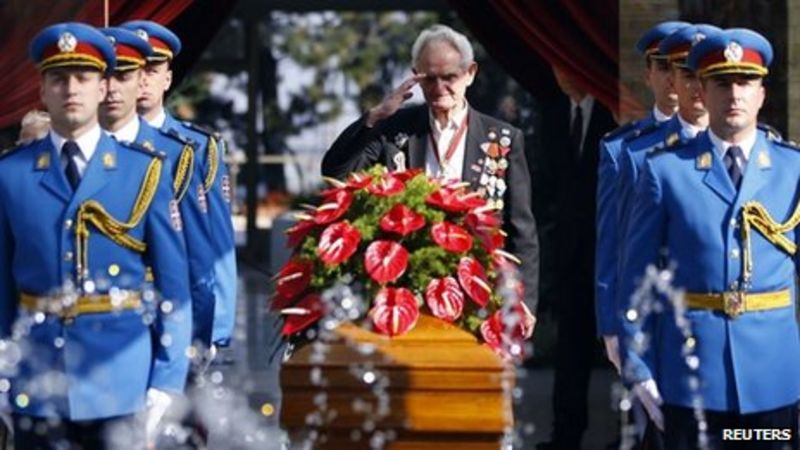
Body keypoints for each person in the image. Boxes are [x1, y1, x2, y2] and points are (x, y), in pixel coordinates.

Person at [0, 22, 191, 449]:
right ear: (43, 90)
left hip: (121, 379)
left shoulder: (144, 171)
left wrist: (166, 380)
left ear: (103, 87)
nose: (71, 88)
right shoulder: (9, 175)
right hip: (36, 381)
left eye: (83, 77)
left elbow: (174, 291)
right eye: (58, 77)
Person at [619, 28, 800, 450]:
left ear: (761, 93)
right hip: (691, 375)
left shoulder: (793, 171)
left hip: (774, 373)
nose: (734, 94)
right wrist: (638, 366)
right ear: (699, 89)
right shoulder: (666, 171)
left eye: (745, 82)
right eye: (722, 82)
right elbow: (635, 278)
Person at [320, 24, 539, 325]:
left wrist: (522, 302)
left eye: (449, 77)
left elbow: (521, 230)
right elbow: (336, 171)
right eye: (429, 79)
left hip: (479, 289)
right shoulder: (395, 129)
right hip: (408, 288)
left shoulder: (502, 139)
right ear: (415, 75)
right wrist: (375, 117)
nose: (438, 89)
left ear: (470, 73)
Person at [120, 20, 238, 353]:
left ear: (168, 78)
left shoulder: (196, 147)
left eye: (153, 69)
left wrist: (217, 328)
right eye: (134, 68)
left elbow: (218, 240)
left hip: (176, 300)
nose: (142, 79)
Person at [595, 20, 688, 373]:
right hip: (652, 317)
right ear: (648, 74)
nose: (674, 77)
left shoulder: (731, 145)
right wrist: (610, 327)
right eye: (664, 66)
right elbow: (611, 245)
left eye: (685, 67)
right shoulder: (624, 149)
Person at [534, 65, 616, 450]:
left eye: (568, 63)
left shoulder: (614, 113)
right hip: (570, 255)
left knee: (624, 349)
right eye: (556, 67)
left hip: (613, 253)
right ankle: (565, 436)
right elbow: (545, 185)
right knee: (571, 351)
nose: (564, 73)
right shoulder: (551, 114)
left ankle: (632, 434)